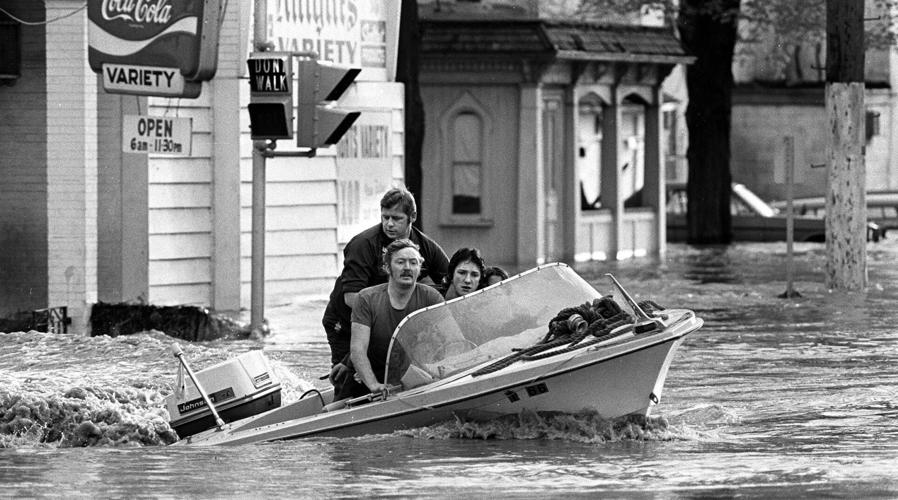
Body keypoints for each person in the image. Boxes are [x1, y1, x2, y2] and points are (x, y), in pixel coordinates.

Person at [322, 187, 448, 386]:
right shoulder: (363, 244)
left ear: (412, 217)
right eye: (385, 217)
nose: (389, 224)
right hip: (346, 319)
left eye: (396, 218)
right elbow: (351, 298)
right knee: (350, 375)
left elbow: (451, 284)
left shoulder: (426, 247)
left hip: (392, 318)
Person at [339, 239, 445, 399]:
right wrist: (374, 385)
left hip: (413, 378)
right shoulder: (366, 298)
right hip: (368, 379)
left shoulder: (431, 297)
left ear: (419, 268)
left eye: (413, 263)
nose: (407, 268)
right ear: (387, 267)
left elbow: (452, 339)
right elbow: (358, 350)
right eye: (400, 262)